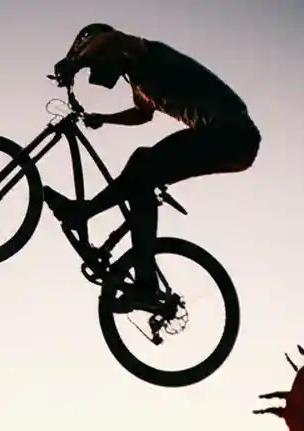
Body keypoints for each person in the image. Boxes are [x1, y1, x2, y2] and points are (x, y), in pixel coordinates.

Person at [45, 23, 261, 310]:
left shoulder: (147, 53)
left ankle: (90, 221)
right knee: (141, 172)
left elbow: (113, 38)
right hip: (225, 141)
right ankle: (93, 224)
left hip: (232, 133)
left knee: (143, 163)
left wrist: (74, 59)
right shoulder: (137, 82)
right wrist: (103, 118)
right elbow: (142, 115)